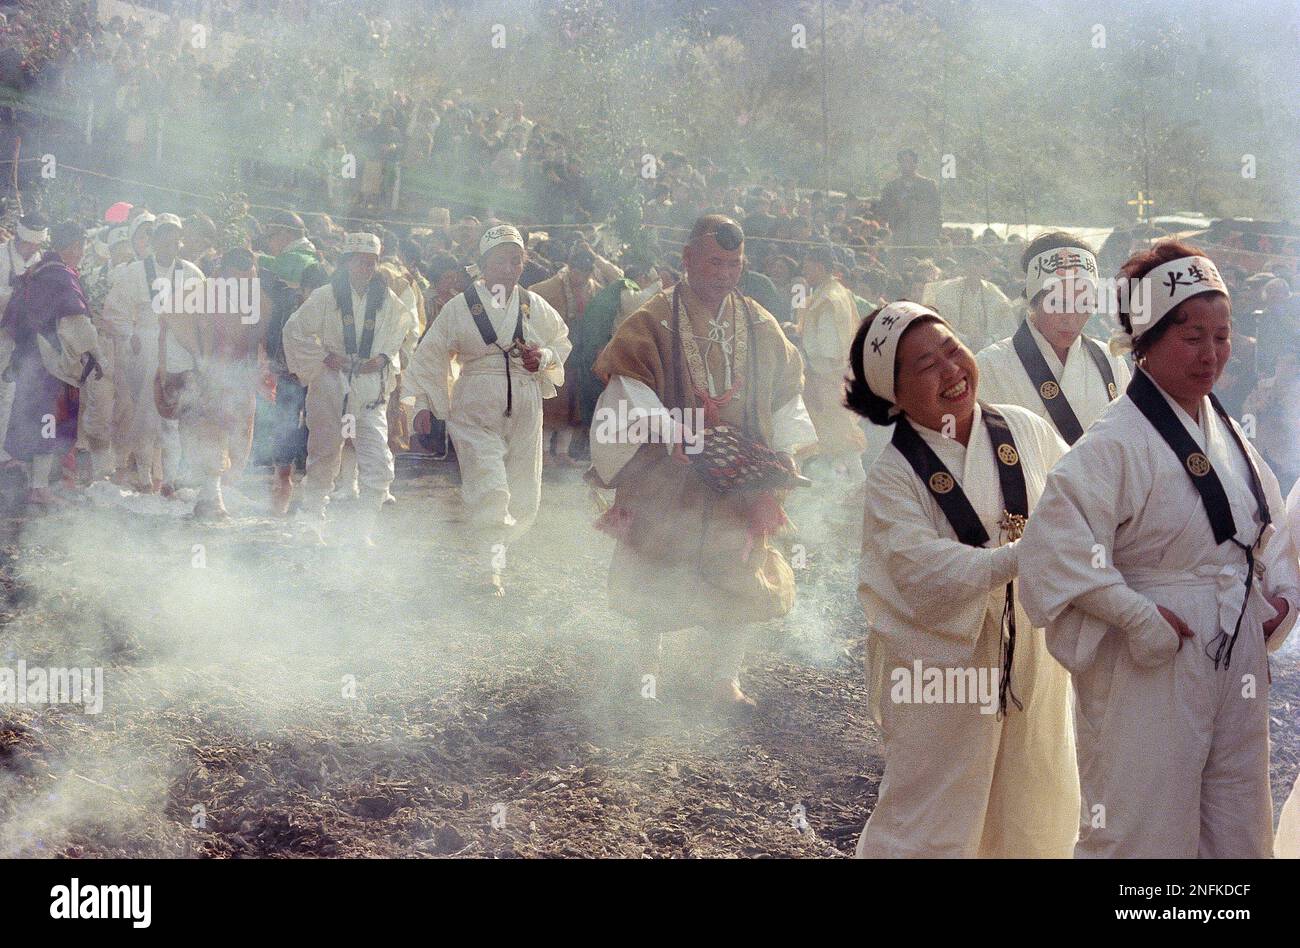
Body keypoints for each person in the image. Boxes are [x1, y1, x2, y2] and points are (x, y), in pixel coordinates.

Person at [1018, 243, 1300, 858]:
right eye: (1192, 336)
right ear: (1146, 339)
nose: (1212, 354)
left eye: (1222, 336)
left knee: (1237, 822)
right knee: (1140, 821)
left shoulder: (1226, 433)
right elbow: (1052, 554)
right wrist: (1135, 616)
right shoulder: (1114, 442)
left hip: (1233, 649)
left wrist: (1280, 597)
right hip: (1154, 656)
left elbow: (1267, 528)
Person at [845, 300, 1077, 857]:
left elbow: (1082, 504)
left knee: (1038, 794)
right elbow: (922, 572)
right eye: (925, 365)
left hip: (1033, 648)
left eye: (952, 349)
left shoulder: (1023, 428)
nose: (951, 370)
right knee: (937, 807)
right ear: (893, 394)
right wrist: (1021, 556)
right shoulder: (892, 478)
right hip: (944, 667)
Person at [589, 215, 816, 712]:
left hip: (738, 474)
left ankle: (723, 680)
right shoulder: (651, 320)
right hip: (669, 472)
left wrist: (787, 447)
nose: (724, 273)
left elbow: (786, 394)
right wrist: (674, 432)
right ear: (688, 259)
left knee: (737, 569)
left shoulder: (758, 321)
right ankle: (647, 671)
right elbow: (628, 388)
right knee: (655, 564)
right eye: (714, 261)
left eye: (734, 264)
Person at [406, 224, 571, 593]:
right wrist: (421, 403)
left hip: (526, 400)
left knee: (523, 490)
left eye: (516, 261)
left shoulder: (531, 304)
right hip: (476, 402)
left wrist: (541, 357)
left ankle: (497, 548)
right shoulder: (461, 307)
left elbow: (560, 342)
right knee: (491, 488)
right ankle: (490, 568)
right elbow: (430, 356)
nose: (509, 269)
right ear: (483, 265)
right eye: (500, 261)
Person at [282, 232, 415, 543]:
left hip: (370, 386)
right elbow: (294, 331)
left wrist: (383, 359)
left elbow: (407, 334)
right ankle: (313, 519)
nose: (366, 269)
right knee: (325, 453)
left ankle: (362, 530)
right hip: (331, 382)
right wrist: (325, 357)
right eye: (360, 262)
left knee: (378, 459)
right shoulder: (325, 296)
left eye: (372, 263)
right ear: (345, 264)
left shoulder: (388, 299)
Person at [975, 233, 1131, 444]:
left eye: (1084, 305)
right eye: (1058, 304)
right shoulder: (989, 366)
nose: (1071, 319)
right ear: (1034, 299)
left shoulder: (1109, 360)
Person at [160, 247, 269, 520]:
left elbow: (256, 343)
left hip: (237, 379)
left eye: (248, 281)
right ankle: (210, 497)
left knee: (239, 437)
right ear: (220, 275)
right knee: (206, 429)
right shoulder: (191, 297)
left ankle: (214, 489)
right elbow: (175, 331)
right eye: (236, 281)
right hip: (196, 377)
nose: (242, 287)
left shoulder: (253, 301)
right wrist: (192, 376)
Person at [102, 212, 204, 493]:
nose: (169, 244)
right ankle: (145, 475)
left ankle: (170, 479)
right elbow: (114, 312)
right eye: (163, 237)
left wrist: (197, 350)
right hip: (146, 346)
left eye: (174, 238)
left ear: (180, 241)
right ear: (154, 240)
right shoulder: (134, 271)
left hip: (180, 349)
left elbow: (205, 316)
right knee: (146, 413)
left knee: (174, 414)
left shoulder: (193, 274)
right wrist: (129, 334)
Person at [0, 221, 98, 507]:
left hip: (30, 358)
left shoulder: (37, 271)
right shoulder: (60, 276)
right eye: (80, 248)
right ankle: (39, 488)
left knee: (35, 421)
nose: (81, 254)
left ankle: (35, 484)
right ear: (73, 247)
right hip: (51, 363)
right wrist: (95, 353)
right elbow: (75, 321)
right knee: (48, 422)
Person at [258, 210, 325, 515]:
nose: (271, 243)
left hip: (314, 368)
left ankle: (310, 489)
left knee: (315, 427)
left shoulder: (298, 259)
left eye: (273, 236)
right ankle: (282, 484)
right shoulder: (292, 270)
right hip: (288, 366)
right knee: (285, 424)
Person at [796, 243, 866, 486]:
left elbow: (827, 349)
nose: (804, 270)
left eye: (807, 265)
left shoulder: (828, 298)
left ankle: (857, 489)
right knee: (835, 440)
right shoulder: (837, 291)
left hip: (824, 378)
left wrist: (799, 345)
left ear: (818, 265)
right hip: (835, 375)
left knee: (840, 440)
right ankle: (841, 490)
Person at [532, 242, 599, 465]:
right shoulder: (548, 289)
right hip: (555, 350)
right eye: (578, 270)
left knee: (573, 403)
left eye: (586, 271)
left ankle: (562, 451)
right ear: (571, 268)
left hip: (579, 353)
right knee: (551, 401)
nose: (581, 275)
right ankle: (543, 452)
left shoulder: (594, 288)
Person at [0, 212, 49, 465]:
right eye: (29, 244)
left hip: (20, 340)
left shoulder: (40, 262)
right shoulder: (1, 256)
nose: (32, 249)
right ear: (19, 237)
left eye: (37, 245)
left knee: (7, 393)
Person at [923, 247, 1017, 352]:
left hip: (988, 349)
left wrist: (988, 340)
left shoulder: (995, 295)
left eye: (978, 264)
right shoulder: (947, 291)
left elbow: (1009, 329)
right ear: (964, 266)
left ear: (984, 268)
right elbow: (938, 323)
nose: (973, 268)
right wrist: (966, 339)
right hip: (955, 347)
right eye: (969, 264)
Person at [877, 149, 941, 253]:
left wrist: (935, 235)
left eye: (909, 162)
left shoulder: (928, 186)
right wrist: (897, 209)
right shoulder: (891, 187)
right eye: (903, 162)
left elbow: (936, 212)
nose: (906, 165)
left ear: (916, 164)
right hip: (899, 237)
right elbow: (883, 210)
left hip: (923, 238)